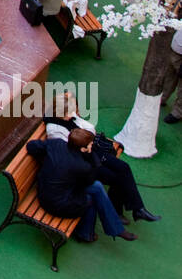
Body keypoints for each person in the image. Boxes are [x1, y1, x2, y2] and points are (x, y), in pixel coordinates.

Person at [47, 94, 160, 224]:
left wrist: (85, 137)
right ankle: (118, 212)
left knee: (124, 167)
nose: (75, 113)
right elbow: (70, 151)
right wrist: (85, 139)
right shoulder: (54, 130)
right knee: (116, 178)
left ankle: (138, 209)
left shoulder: (69, 118)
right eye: (71, 111)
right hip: (83, 162)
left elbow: (90, 129)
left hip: (92, 151)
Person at [26, 128, 135, 243]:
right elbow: (88, 181)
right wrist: (93, 157)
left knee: (97, 186)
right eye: (90, 145)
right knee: (90, 198)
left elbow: (31, 146)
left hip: (46, 189)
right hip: (55, 203)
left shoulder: (57, 143)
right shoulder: (81, 166)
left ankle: (116, 228)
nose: (92, 146)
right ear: (83, 149)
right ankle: (85, 233)